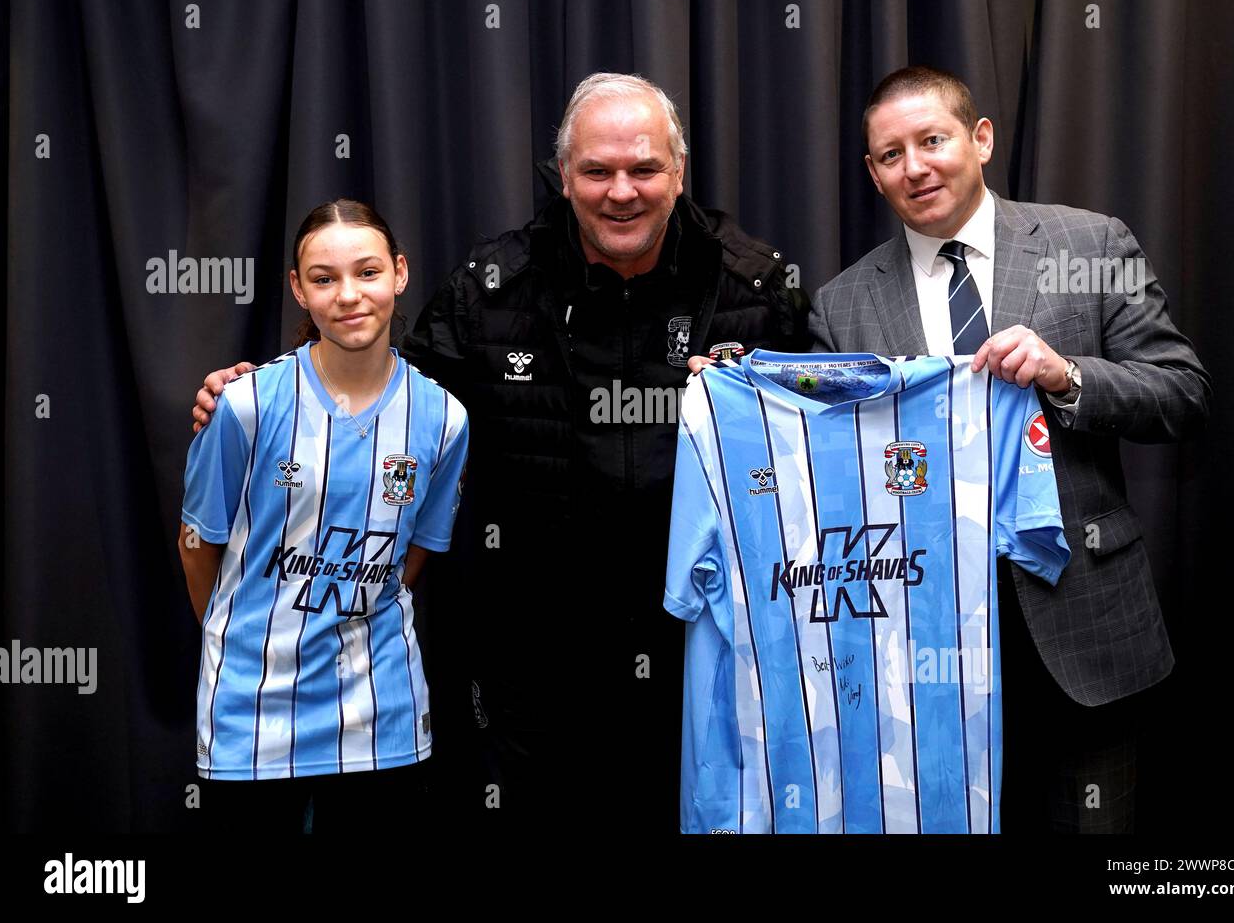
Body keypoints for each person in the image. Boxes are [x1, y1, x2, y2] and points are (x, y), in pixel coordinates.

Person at [192, 73, 808, 829]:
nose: (622, 191)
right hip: (535, 674)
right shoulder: (490, 289)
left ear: (678, 173)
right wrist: (258, 392)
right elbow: (382, 398)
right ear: (564, 175)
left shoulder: (755, 287)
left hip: (702, 657)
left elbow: (821, 456)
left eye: (644, 169)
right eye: (597, 171)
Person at [806, 66, 1212, 832]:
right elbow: (826, 473)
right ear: (871, 172)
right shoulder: (842, 305)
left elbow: (1184, 394)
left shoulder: (1088, 242)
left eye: (933, 140)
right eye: (890, 154)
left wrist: (1067, 376)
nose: (915, 167)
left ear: (981, 138)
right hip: (921, 666)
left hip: (1084, 637)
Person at [179, 199, 468, 832]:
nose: (348, 296)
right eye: (323, 278)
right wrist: (246, 637)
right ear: (298, 290)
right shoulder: (245, 403)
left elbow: (411, 553)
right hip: (252, 713)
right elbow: (197, 544)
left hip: (380, 713)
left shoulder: (445, 419)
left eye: (367, 272)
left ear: (399, 273)